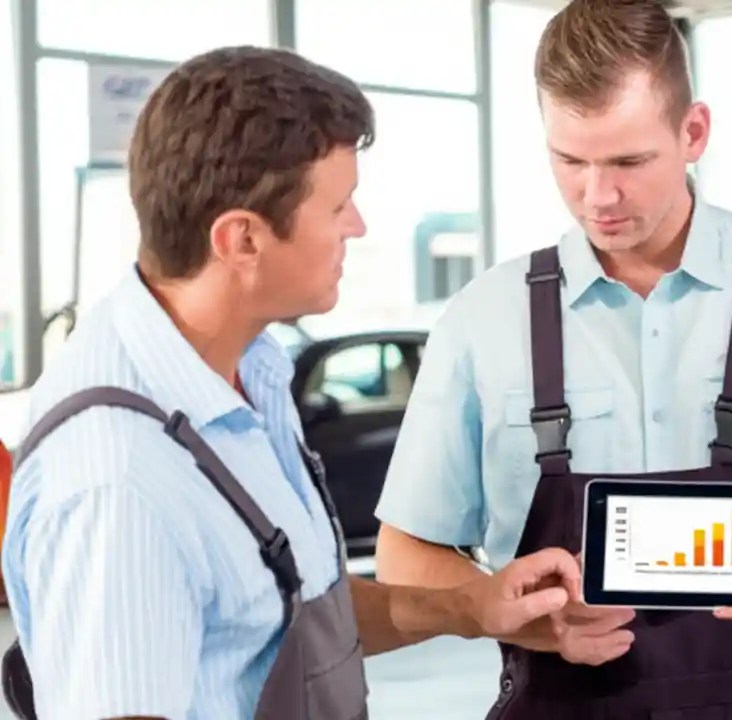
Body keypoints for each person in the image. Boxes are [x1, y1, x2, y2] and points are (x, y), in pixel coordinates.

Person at [373, 0, 732, 717]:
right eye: (569, 160)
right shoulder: (484, 317)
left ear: (693, 131)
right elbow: (405, 554)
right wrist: (509, 611)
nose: (598, 196)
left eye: (630, 161)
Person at [0, 46, 584, 720]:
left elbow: (293, 612)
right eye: (337, 206)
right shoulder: (119, 481)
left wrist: (474, 607)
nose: (357, 227)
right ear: (242, 240)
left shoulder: (249, 374)